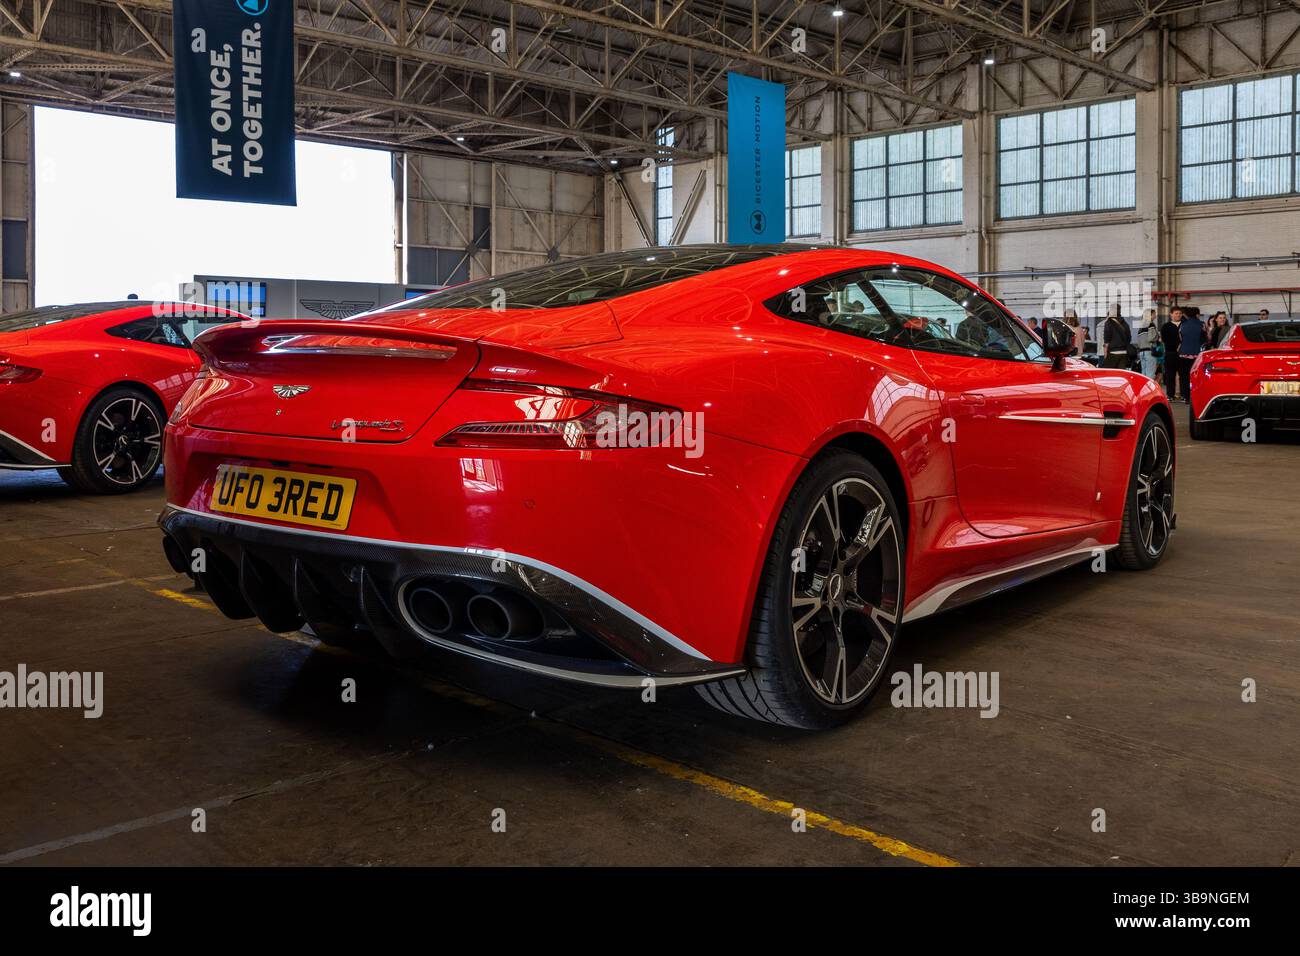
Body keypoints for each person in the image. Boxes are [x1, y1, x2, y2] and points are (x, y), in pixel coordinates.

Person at [1177, 305, 1205, 400]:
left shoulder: (1182, 324)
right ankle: (1196, 395)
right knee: (1196, 376)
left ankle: (1186, 396)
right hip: (1197, 354)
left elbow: (1180, 338)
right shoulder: (1202, 324)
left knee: (1184, 376)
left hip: (1184, 353)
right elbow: (1207, 338)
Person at [1160, 308, 1184, 399]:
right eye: (1176, 313)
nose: (1178, 315)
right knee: (1170, 375)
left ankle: (1183, 395)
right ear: (1171, 314)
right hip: (1170, 353)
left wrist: (1181, 346)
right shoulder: (1166, 326)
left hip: (1183, 354)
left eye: (1180, 313)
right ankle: (1170, 395)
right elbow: (1164, 339)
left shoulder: (1184, 325)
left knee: (1183, 375)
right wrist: (1176, 346)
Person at [1138, 308, 1160, 379]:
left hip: (1141, 352)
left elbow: (1138, 342)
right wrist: (1158, 336)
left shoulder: (1141, 327)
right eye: (1154, 314)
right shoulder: (1151, 325)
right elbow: (1151, 338)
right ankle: (1149, 389)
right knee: (1150, 374)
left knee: (1143, 374)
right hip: (1150, 352)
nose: (1155, 316)